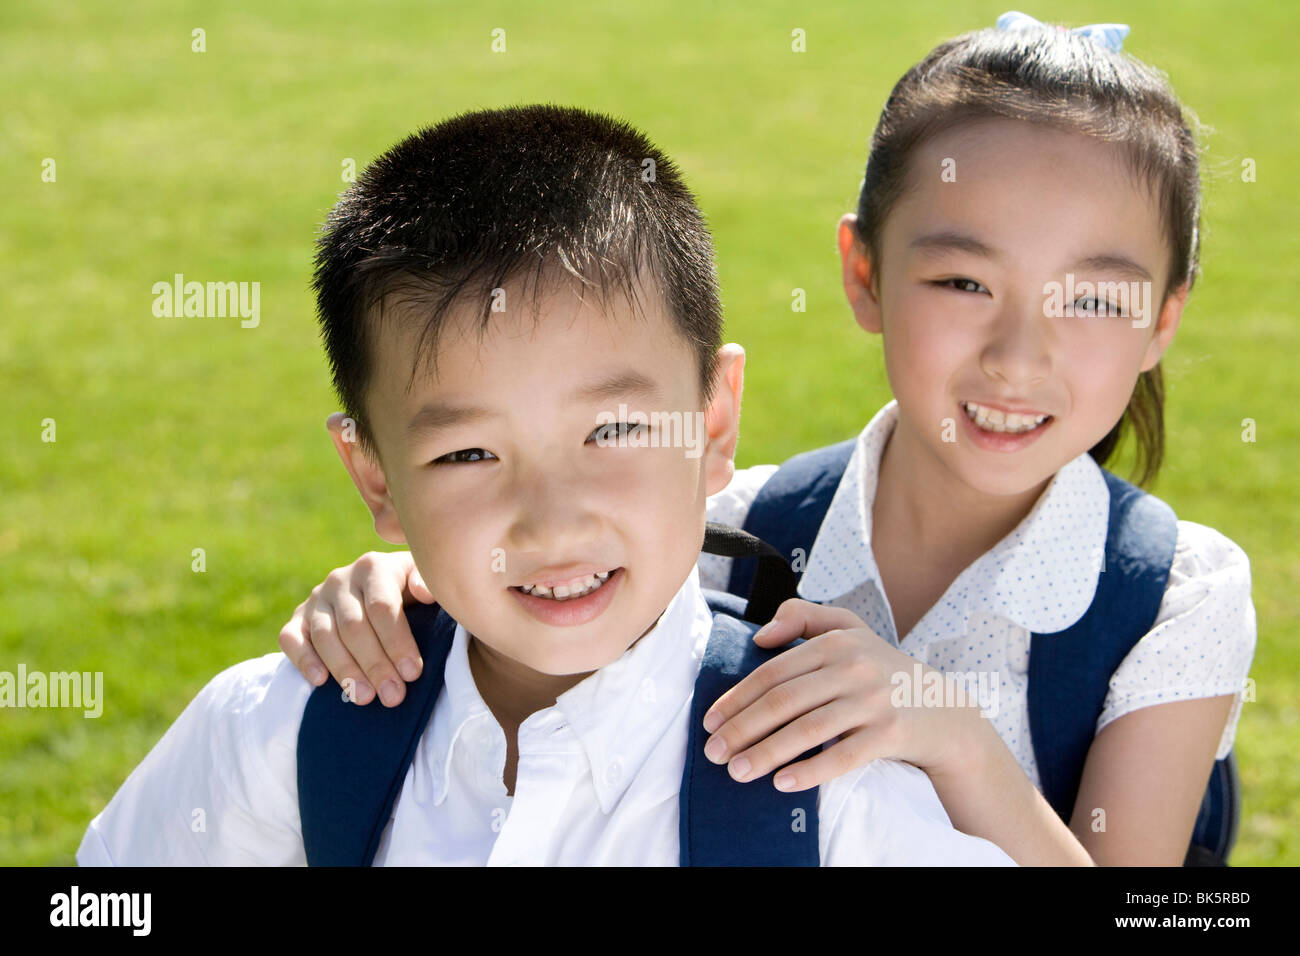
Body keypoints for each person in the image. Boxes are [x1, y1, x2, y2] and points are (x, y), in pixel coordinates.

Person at [277, 14, 1257, 866]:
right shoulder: (731, 528)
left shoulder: (1170, 595)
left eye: (1091, 298)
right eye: (963, 282)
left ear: (1164, 316)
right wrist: (405, 588)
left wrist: (951, 733)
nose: (1017, 357)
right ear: (861, 271)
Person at [76, 104, 1015, 866]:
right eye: (467, 455)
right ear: (377, 478)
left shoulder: (828, 795)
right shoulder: (286, 731)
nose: (552, 520)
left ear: (714, 424)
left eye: (613, 430)